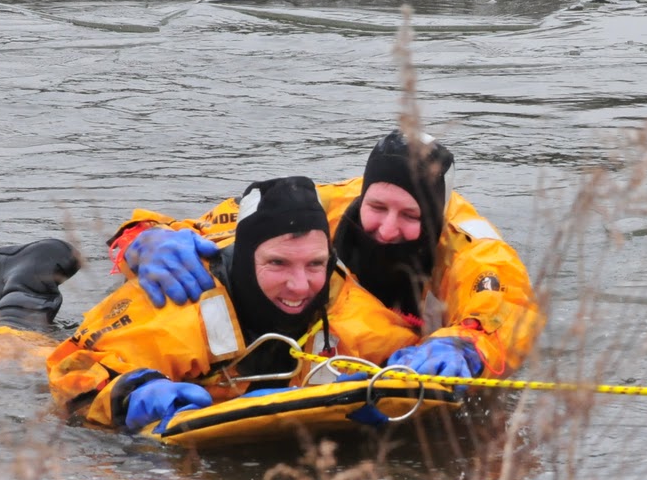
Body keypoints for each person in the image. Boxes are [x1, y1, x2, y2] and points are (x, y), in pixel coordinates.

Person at [108, 129, 540, 380]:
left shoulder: (473, 250)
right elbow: (212, 230)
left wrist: (466, 349)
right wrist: (145, 241)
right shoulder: (325, 205)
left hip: (401, 341)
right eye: (376, 208)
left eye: (410, 215)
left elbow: (506, 313)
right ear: (362, 196)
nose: (387, 229)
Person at [43, 176, 418, 431]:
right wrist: (133, 393)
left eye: (315, 264)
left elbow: (414, 364)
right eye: (278, 263)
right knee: (2, 347)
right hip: (46, 347)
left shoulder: (353, 310)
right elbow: (70, 371)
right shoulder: (177, 304)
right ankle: (23, 290)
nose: (300, 285)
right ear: (246, 259)